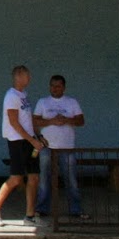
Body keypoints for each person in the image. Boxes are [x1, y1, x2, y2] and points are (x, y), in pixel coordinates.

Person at [0, 64, 43, 226]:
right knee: (16, 178)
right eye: (27, 75)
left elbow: (28, 119)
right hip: (17, 141)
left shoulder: (23, 95)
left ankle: (30, 216)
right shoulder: (11, 96)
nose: (29, 78)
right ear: (19, 76)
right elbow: (14, 122)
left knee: (34, 176)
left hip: (30, 140)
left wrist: (38, 136)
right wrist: (31, 140)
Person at [33, 73, 87, 220]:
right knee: (44, 179)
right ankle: (42, 208)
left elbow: (81, 121)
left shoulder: (72, 102)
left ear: (64, 87)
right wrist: (51, 122)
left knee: (71, 179)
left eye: (58, 86)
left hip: (67, 147)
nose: (54, 89)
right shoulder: (43, 102)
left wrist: (66, 120)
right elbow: (35, 121)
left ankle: (75, 209)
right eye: (52, 86)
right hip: (47, 146)